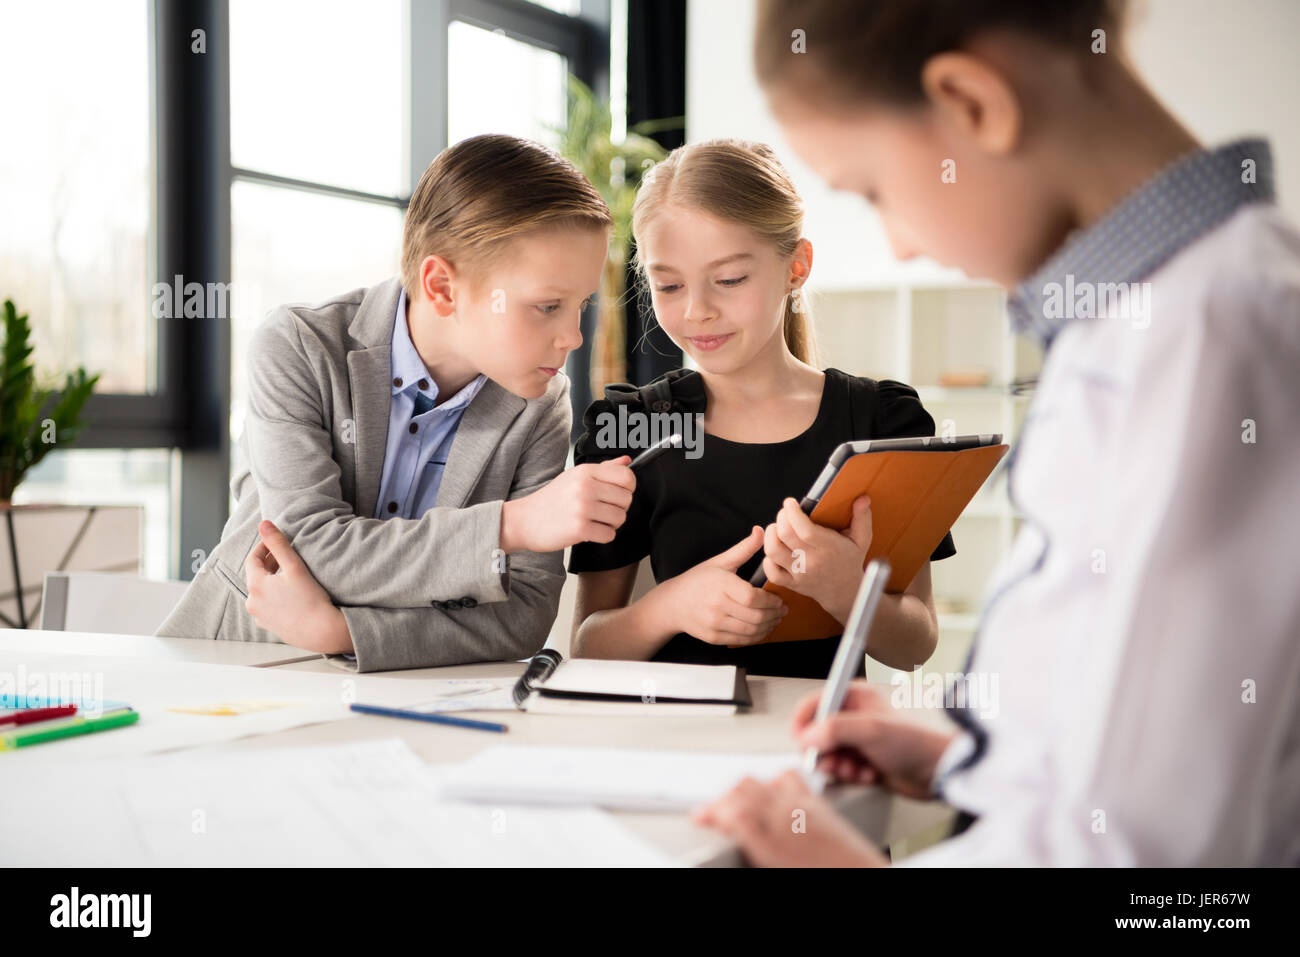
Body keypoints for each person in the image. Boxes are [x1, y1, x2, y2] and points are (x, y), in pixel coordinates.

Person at [697, 0, 1300, 865]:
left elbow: (1160, 873)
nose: (898, 246)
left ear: (973, 103)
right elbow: (1138, 738)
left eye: (872, 190)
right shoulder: (1156, 319)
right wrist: (969, 767)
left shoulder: (1214, 341)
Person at [157, 135, 637, 672]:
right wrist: (511, 526)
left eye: (582, 305)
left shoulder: (540, 404)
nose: (573, 336)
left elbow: (523, 616)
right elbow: (313, 547)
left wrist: (342, 631)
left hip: (413, 695)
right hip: (230, 670)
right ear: (442, 287)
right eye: (547, 306)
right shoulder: (298, 347)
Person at [569, 138, 954, 678]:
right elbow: (587, 648)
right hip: (667, 745)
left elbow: (915, 645)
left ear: (797, 266)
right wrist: (668, 607)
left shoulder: (881, 422)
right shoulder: (631, 428)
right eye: (669, 285)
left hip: (815, 744)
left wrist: (848, 591)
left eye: (729, 280)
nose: (697, 311)